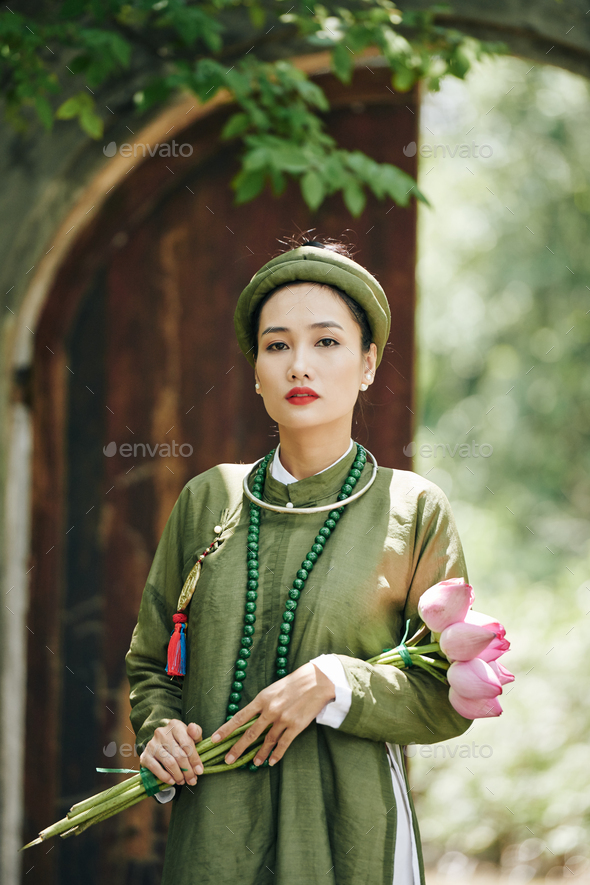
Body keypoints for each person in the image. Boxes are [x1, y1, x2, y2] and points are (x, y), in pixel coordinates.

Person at [125, 235, 472, 885]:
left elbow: (446, 695)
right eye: (277, 345)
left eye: (327, 342)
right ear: (256, 371)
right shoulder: (209, 499)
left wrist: (337, 683)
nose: (299, 365)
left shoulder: (412, 507)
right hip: (214, 841)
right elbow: (153, 662)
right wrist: (161, 728)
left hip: (349, 838)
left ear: (368, 363)